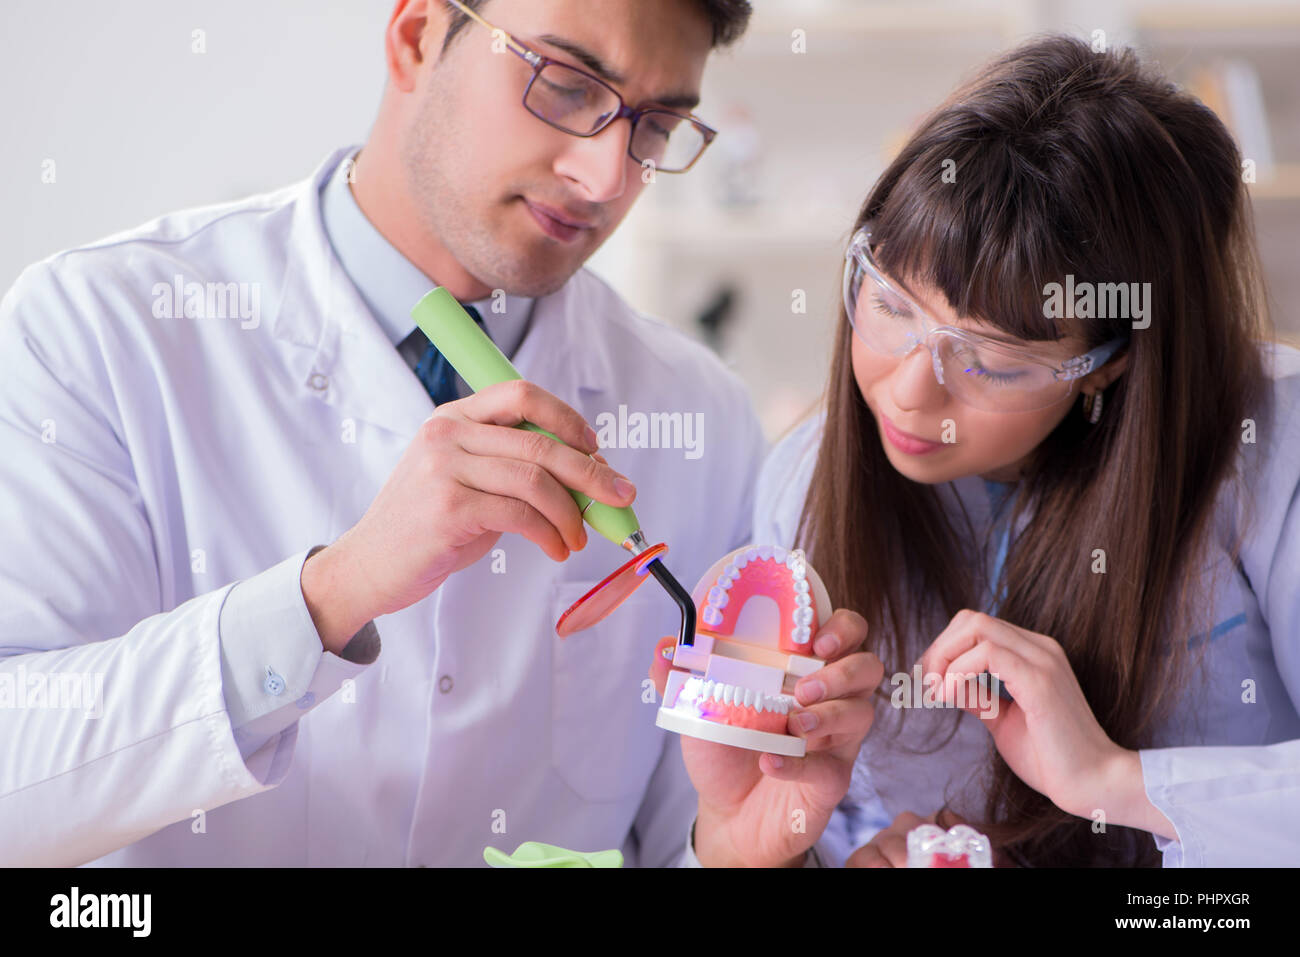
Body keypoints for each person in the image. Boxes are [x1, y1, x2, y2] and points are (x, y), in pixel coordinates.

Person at [0, 0, 877, 867]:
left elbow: (676, 841)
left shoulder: (700, 416)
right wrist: (334, 592)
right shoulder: (98, 331)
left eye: (655, 126)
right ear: (417, 35)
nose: (608, 176)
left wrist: (733, 851)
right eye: (568, 85)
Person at [750, 35, 1300, 867]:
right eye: (892, 305)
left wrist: (1116, 780)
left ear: (1110, 363)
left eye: (993, 360)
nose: (908, 392)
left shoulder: (1273, 440)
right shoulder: (807, 478)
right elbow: (791, 818)